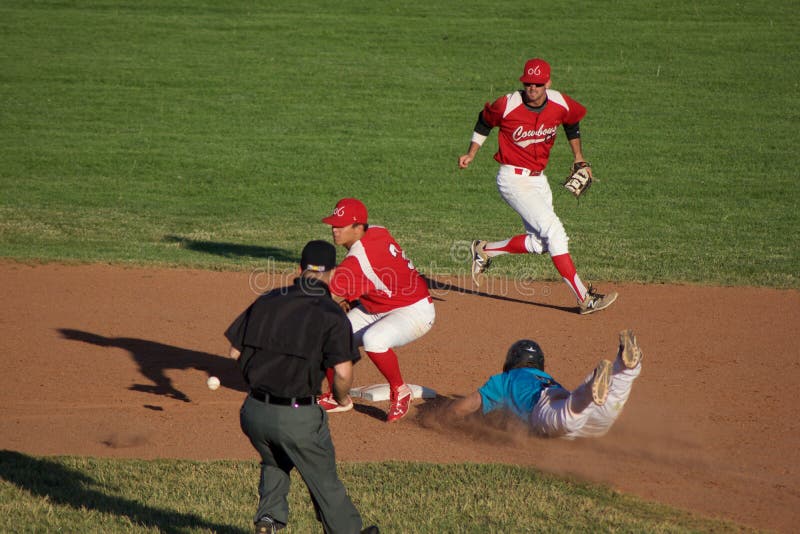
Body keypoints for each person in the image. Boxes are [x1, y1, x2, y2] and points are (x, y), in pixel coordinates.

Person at [224, 240, 378, 534]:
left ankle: (268, 520)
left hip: (253, 414)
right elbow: (343, 373)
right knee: (323, 477)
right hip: (296, 417)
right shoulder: (332, 314)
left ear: (299, 269)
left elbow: (234, 353)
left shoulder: (267, 299)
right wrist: (341, 398)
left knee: (274, 458)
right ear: (333, 274)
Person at [458, 57, 618, 315]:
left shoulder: (559, 102)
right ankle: (585, 298)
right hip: (513, 179)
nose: (532, 88)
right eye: (528, 83)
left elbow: (572, 120)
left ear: (547, 83)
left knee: (542, 243)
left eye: (538, 84)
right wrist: (472, 153)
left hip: (539, 180)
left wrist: (578, 156)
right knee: (556, 232)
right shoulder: (507, 104)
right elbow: (484, 120)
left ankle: (484, 249)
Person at [318, 198, 435, 423]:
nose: (335, 229)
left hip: (413, 310)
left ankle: (400, 391)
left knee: (374, 340)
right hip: (380, 304)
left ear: (358, 227)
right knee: (330, 338)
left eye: (341, 225)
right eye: (334, 224)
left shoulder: (357, 262)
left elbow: (323, 298)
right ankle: (337, 397)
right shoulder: (377, 230)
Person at [446, 330, 642, 439]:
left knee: (569, 415)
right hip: (573, 409)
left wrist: (439, 417)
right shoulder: (543, 377)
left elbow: (466, 406)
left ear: (512, 361)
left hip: (546, 409)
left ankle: (592, 389)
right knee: (609, 405)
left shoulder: (505, 379)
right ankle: (627, 367)